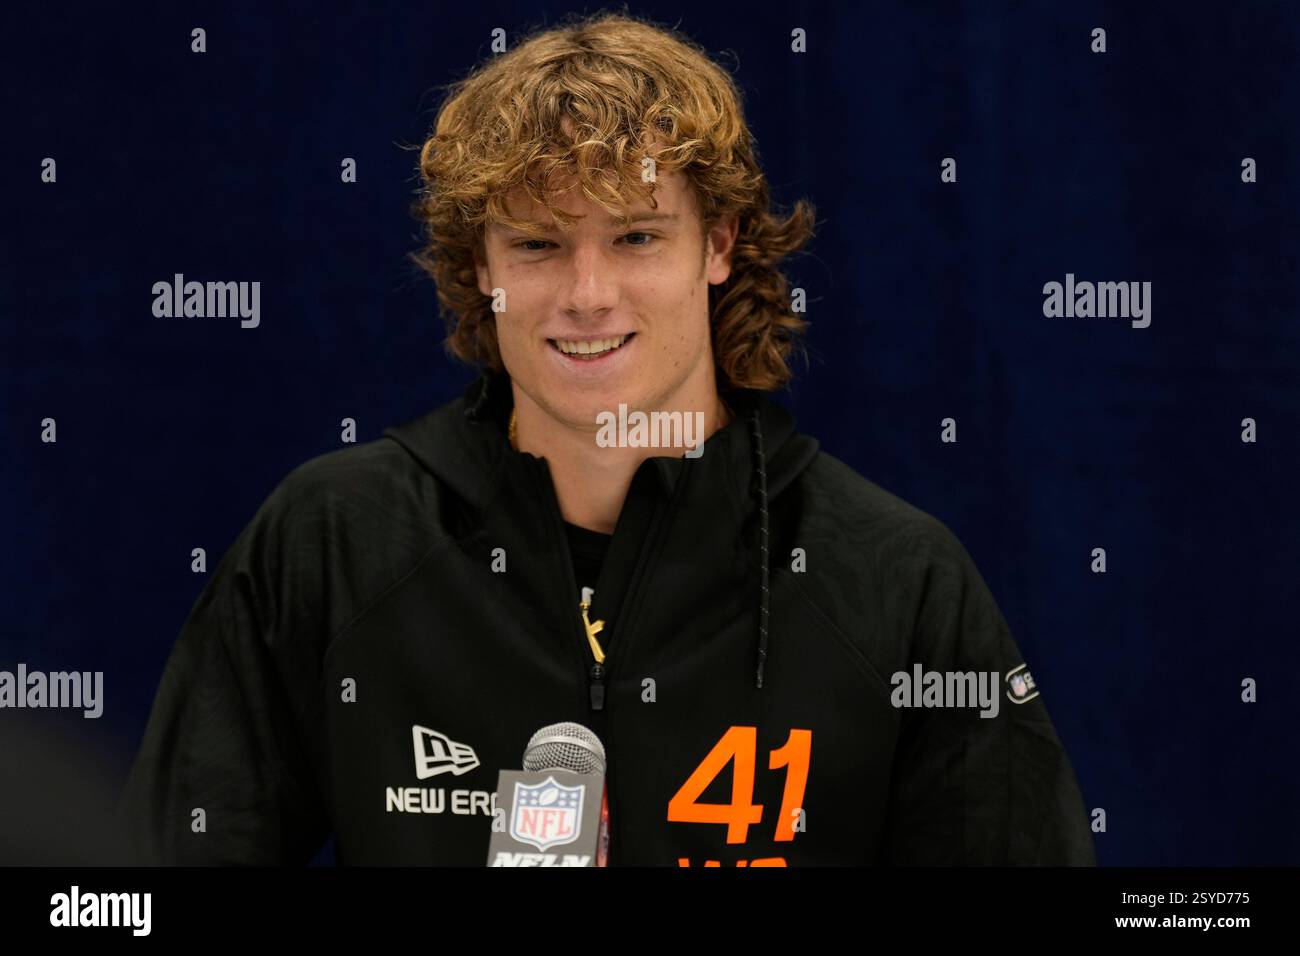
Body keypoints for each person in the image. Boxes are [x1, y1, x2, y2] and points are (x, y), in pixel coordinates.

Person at [118, 11, 1095, 866]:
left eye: (634, 236)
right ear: (480, 264)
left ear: (717, 244)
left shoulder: (891, 577)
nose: (586, 294)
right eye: (538, 243)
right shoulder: (334, 540)